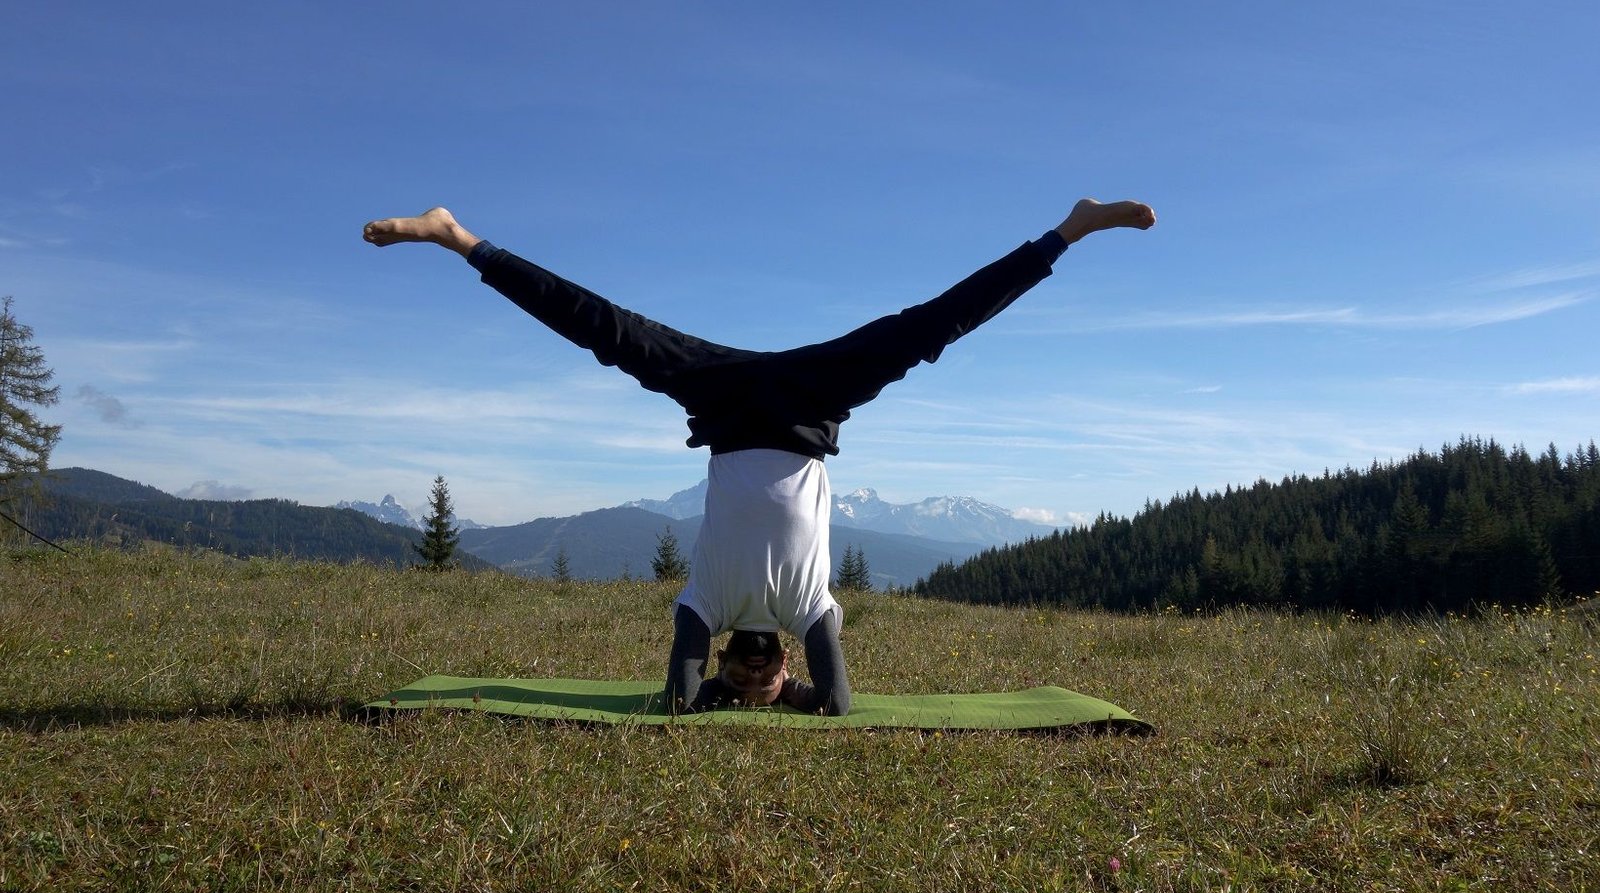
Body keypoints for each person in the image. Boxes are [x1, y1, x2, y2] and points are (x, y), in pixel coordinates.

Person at [363, 197, 1156, 715]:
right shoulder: (809, 612)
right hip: (809, 405)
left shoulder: (703, 603)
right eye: (763, 678)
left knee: (600, 326)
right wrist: (792, 700)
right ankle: (1070, 229)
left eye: (737, 675)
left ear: (722, 664)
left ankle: (457, 236)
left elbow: (677, 699)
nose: (754, 674)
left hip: (725, 400)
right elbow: (838, 704)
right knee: (932, 326)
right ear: (783, 670)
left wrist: (713, 698)